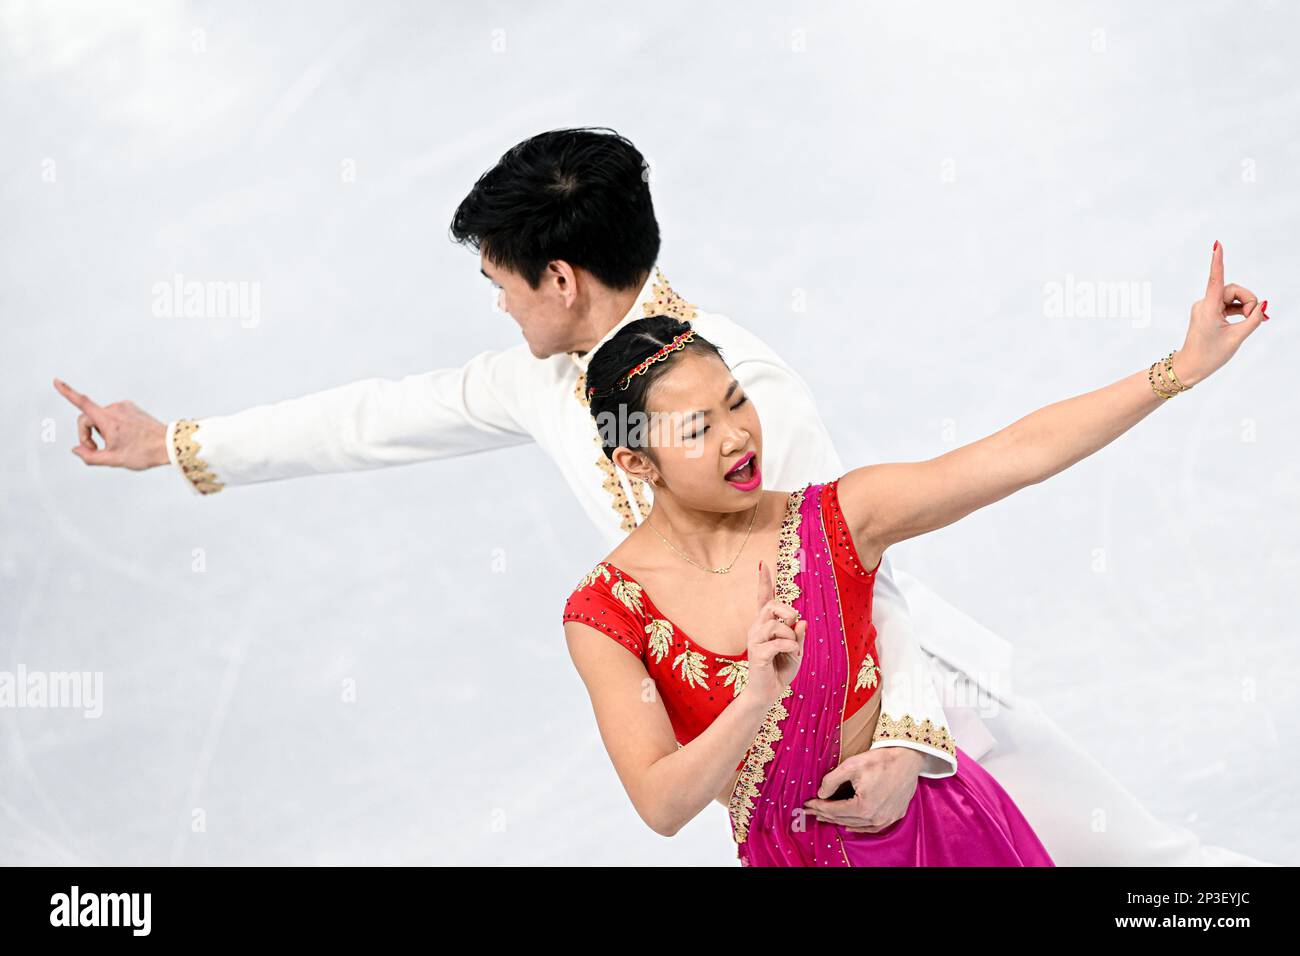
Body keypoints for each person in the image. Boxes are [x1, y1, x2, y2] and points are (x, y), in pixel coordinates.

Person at [53, 128, 1270, 864]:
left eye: (499, 280)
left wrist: (907, 737)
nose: (496, 305)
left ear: (560, 275)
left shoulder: (742, 392)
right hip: (768, 765)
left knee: (1148, 871)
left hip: (903, 712)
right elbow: (375, 415)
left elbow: (865, 563)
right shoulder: (543, 380)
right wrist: (177, 442)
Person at [561, 252, 1266, 863]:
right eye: (696, 428)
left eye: (737, 402)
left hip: (942, 832)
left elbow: (1014, 454)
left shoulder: (838, 518)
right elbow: (661, 805)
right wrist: (754, 700)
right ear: (635, 460)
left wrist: (1182, 369)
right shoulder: (606, 613)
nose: (737, 437)